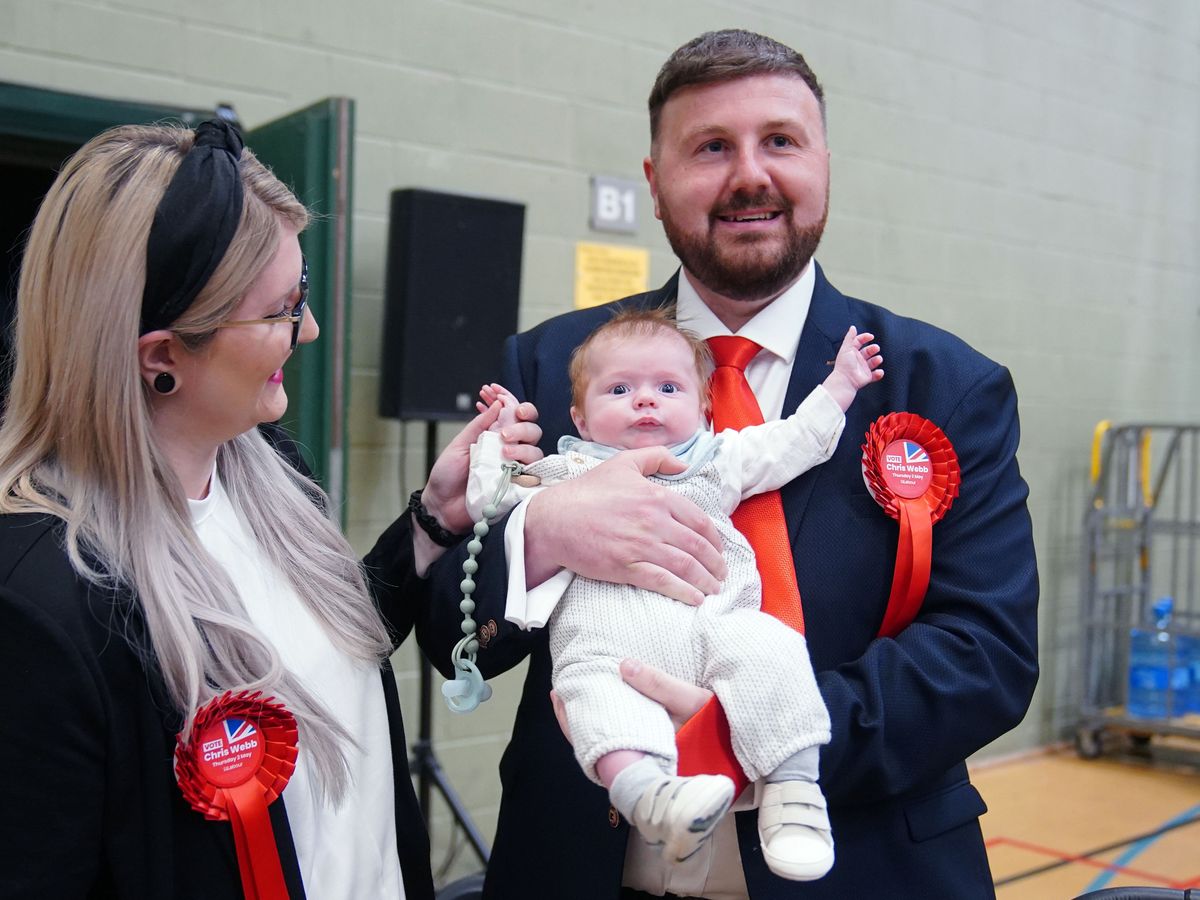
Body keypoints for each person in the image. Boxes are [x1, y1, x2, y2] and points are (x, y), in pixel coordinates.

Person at [424, 27, 1039, 900]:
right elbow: (458, 640)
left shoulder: (947, 385)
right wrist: (543, 536)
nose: (750, 174)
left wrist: (757, 733)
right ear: (654, 181)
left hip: (861, 863)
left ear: (824, 160)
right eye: (711, 147)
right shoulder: (553, 362)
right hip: (585, 865)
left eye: (779, 141)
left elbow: (986, 655)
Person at [0, 121, 540, 899]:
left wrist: (432, 519)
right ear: (161, 359)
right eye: (282, 310)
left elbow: (316, 660)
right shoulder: (43, 599)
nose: (310, 330)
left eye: (305, 292)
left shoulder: (266, 466)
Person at [466, 309, 882, 881]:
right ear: (580, 418)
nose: (645, 401)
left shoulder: (717, 461)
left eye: (668, 387)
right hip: (608, 648)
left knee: (773, 649)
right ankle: (652, 800)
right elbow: (487, 500)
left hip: (717, 628)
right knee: (591, 697)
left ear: (705, 408)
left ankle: (794, 796)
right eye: (619, 389)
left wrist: (839, 385)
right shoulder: (564, 472)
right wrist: (496, 440)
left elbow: (793, 443)